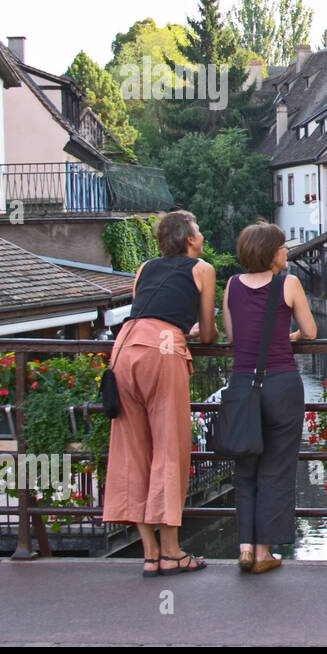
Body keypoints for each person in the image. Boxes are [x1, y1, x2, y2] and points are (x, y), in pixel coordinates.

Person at [102, 210, 217, 576]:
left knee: (130, 451)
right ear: (188, 239)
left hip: (123, 348)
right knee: (169, 449)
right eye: (197, 230)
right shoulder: (202, 269)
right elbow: (211, 333)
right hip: (164, 348)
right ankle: (171, 551)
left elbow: (145, 308)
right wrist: (195, 331)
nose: (201, 235)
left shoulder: (144, 268)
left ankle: (150, 554)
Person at [223, 222, 317, 574]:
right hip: (281, 384)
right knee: (276, 469)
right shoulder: (288, 284)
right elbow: (310, 331)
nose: (286, 252)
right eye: (281, 247)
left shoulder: (231, 285)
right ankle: (263, 552)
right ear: (269, 252)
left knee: (245, 467)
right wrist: (288, 334)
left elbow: (232, 335)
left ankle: (245, 548)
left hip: (241, 386)